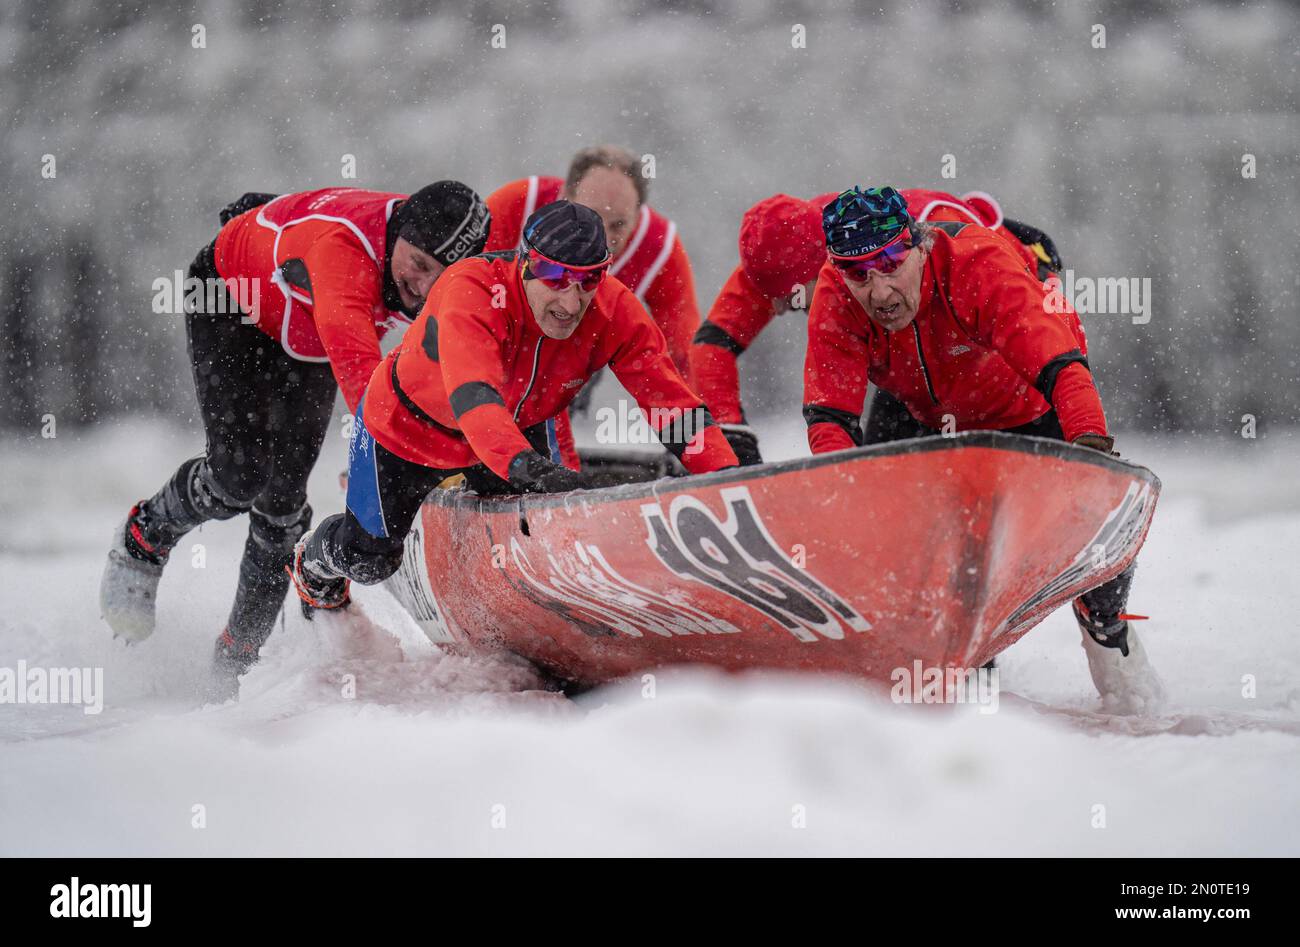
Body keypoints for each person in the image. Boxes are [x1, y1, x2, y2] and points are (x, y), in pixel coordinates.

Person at [99, 182, 491, 680]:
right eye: (415, 261)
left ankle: (235, 666)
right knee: (236, 479)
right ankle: (144, 535)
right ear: (398, 237)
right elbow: (373, 408)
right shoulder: (343, 257)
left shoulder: (434, 261)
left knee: (282, 511)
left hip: (304, 320)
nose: (421, 282)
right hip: (230, 299)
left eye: (438, 274)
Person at [802, 185, 1163, 712]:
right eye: (858, 272)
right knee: (902, 526)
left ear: (918, 245)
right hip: (920, 411)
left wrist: (1090, 451)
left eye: (888, 263)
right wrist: (844, 501)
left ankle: (1109, 630)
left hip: (1025, 403)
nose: (878, 290)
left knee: (1087, 528)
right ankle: (963, 661)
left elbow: (1062, 365)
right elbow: (830, 415)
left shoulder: (976, 263)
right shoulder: (835, 292)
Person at [284, 200, 738, 611]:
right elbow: (474, 396)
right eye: (556, 276)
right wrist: (527, 468)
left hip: (512, 432)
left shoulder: (615, 312)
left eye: (589, 280)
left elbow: (673, 407)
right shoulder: (473, 290)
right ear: (524, 264)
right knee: (370, 560)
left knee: (552, 529)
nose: (571, 299)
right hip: (404, 431)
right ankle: (314, 559)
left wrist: (727, 482)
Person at [690, 188, 1062, 465]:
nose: (783, 311)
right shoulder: (774, 254)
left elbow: (1035, 324)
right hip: (912, 386)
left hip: (1002, 368)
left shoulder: (928, 235)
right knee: (869, 482)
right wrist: (730, 437)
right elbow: (710, 346)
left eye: (795, 301)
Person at [484, 145, 702, 468]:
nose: (600, 238)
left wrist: (695, 447)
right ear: (563, 196)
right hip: (494, 348)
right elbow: (452, 304)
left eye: (617, 226)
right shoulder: (518, 205)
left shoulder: (660, 250)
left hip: (568, 362)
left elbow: (683, 358)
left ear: (639, 215)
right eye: (591, 216)